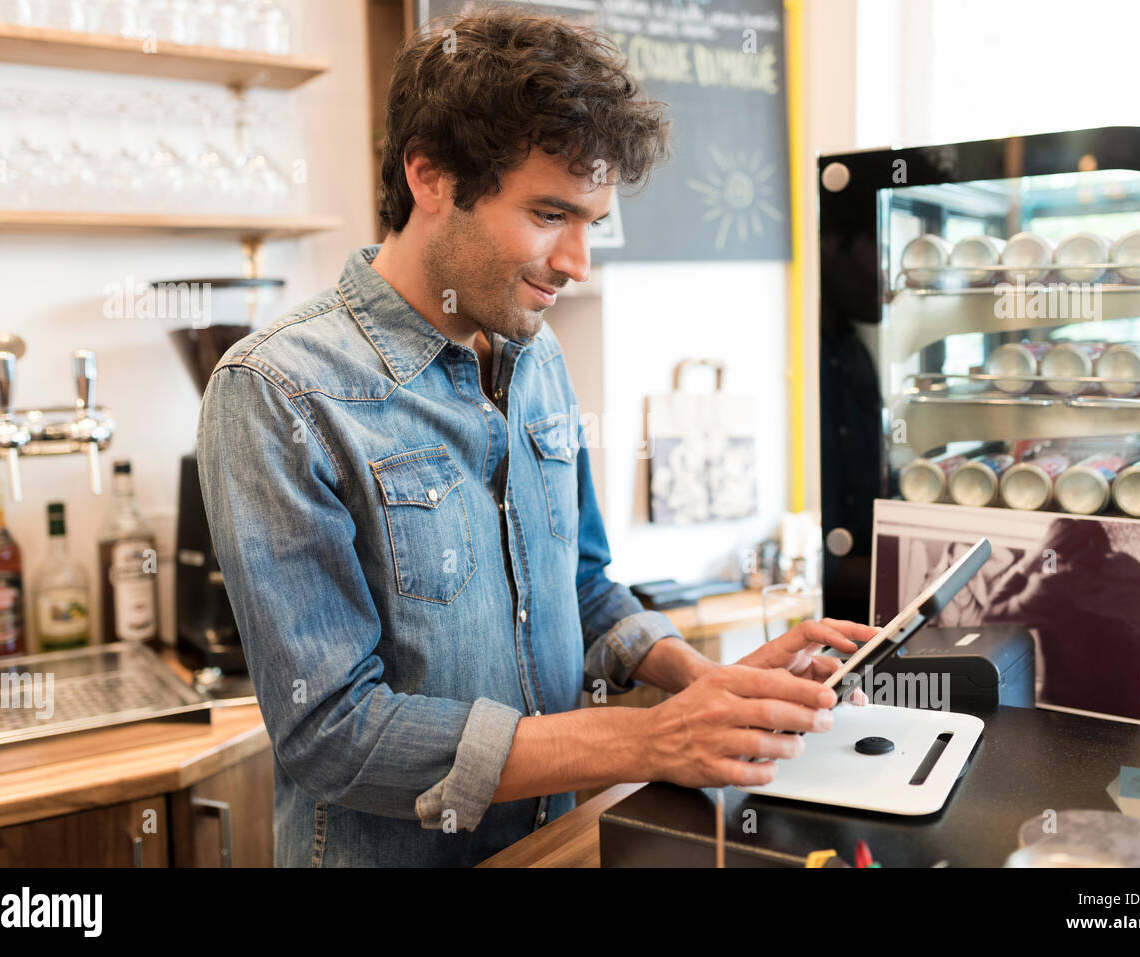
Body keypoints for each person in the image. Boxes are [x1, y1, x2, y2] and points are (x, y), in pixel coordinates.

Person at [196, 8, 875, 867]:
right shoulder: (275, 392)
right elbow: (332, 732)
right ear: (430, 178)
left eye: (592, 220)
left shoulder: (534, 350)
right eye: (551, 213)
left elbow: (582, 584)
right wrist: (649, 740)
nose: (578, 260)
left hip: (557, 845)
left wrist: (701, 682)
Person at [984, 518, 1140, 719]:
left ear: (1054, 548)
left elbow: (991, 614)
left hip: (1070, 706)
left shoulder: (1051, 588)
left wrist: (1026, 565)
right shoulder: (1131, 567)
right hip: (1128, 704)